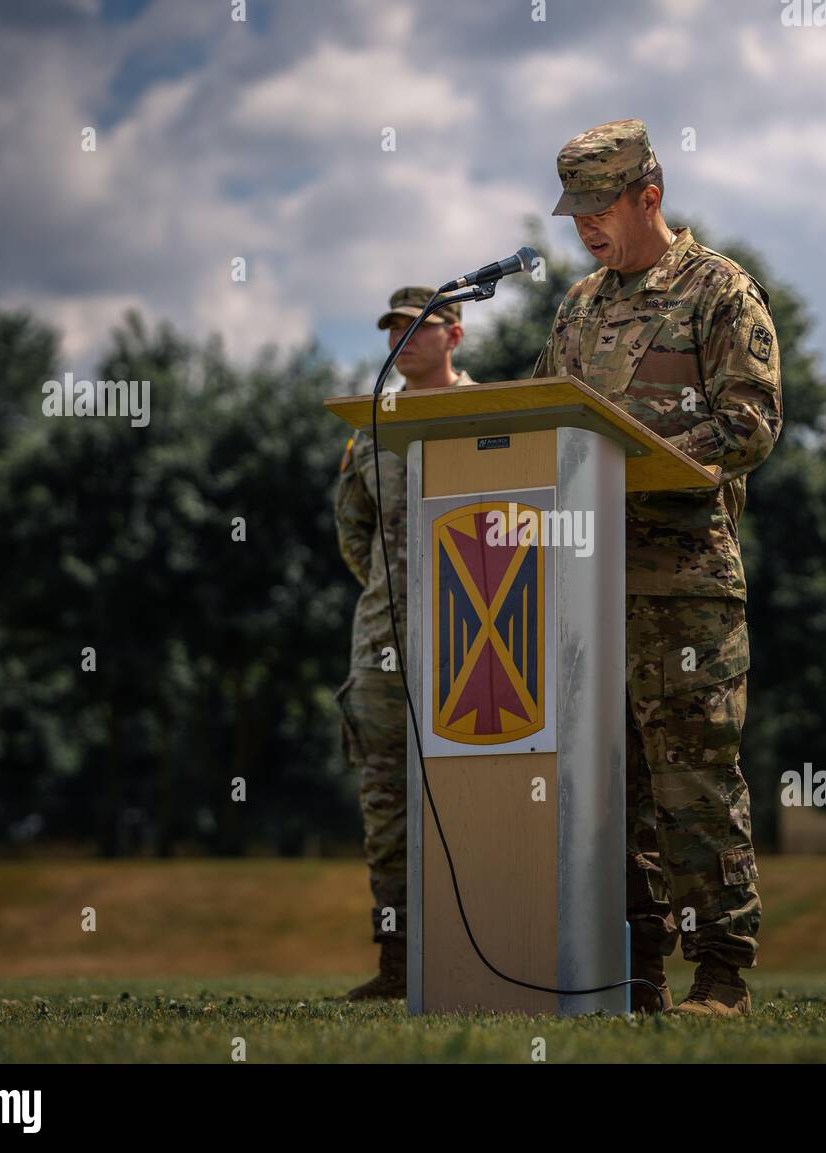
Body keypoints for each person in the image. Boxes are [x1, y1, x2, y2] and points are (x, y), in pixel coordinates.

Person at [533, 119, 783, 1016]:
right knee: (610, 789)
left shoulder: (720, 292)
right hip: (587, 588)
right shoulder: (578, 305)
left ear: (650, 197)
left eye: (602, 208)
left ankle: (721, 974)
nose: (587, 227)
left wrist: (641, 454)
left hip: (684, 588)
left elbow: (751, 423)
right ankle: (631, 977)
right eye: (576, 212)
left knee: (694, 782)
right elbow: (544, 423)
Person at [334, 286, 474, 999]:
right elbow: (354, 531)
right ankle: (397, 961)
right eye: (394, 328)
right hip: (385, 642)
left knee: (477, 789)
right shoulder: (370, 430)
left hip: (477, 641)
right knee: (387, 800)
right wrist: (401, 592)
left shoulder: (491, 417)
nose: (403, 338)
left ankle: (478, 949)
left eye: (420, 327)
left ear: (454, 336)